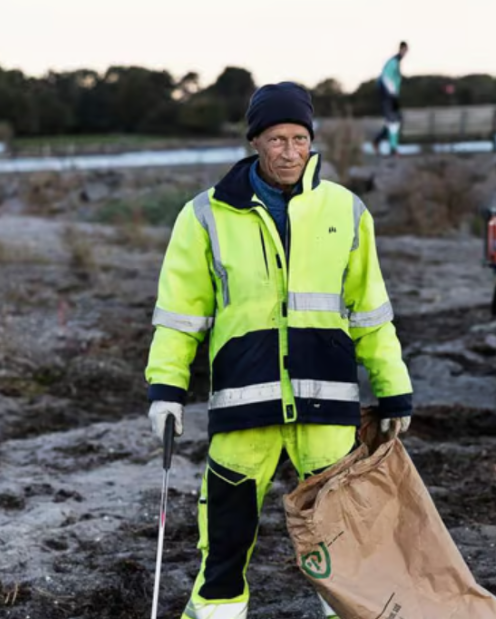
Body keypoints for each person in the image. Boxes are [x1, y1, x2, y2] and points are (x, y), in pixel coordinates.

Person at [144, 81, 414, 619]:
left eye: (299, 139)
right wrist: (166, 391)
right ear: (256, 143)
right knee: (222, 547)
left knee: (343, 547)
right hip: (243, 411)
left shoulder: (347, 211)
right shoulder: (204, 216)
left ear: (311, 142)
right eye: (277, 139)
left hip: (327, 414)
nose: (290, 152)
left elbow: (371, 314)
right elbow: (180, 317)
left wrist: (394, 390)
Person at [372, 41, 408, 156]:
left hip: (391, 96)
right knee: (394, 121)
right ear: (402, 49)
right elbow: (386, 78)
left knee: (392, 122)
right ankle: (393, 149)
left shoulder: (396, 62)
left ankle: (378, 142)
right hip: (388, 97)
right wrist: (392, 94)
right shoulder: (393, 62)